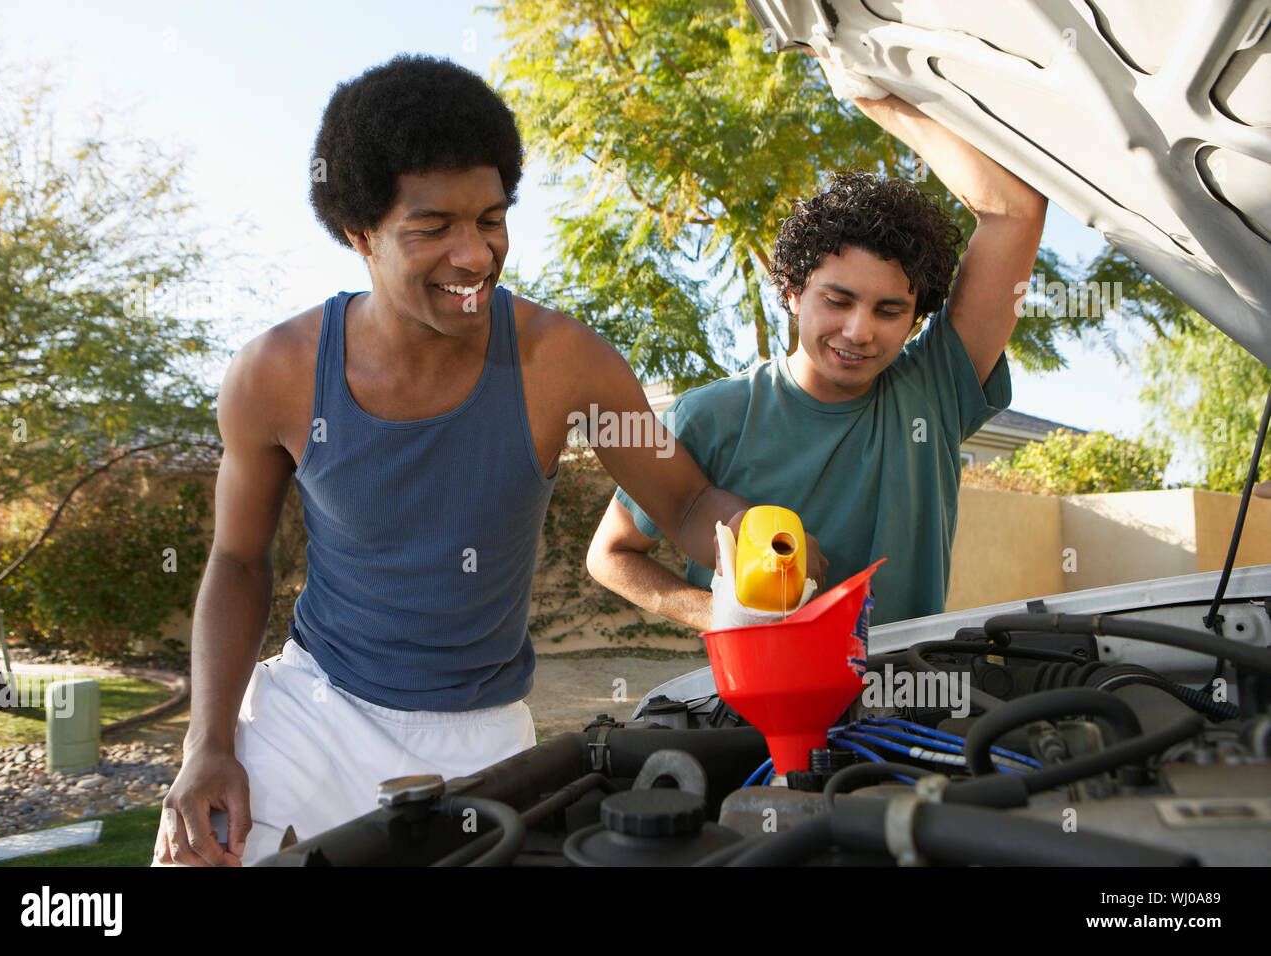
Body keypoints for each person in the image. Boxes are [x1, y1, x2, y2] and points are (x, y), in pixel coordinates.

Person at [151, 54, 781, 867]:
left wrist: (766, 546)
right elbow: (238, 560)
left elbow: (689, 505)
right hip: (312, 708)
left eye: (491, 218)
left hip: (480, 736)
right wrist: (208, 742)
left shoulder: (564, 363)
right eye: (432, 228)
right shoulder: (274, 374)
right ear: (359, 234)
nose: (476, 255)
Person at [586, 90, 1049, 632]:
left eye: (889, 310)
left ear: (915, 317)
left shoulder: (937, 387)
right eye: (838, 300)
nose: (859, 331)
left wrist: (871, 93)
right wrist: (719, 615)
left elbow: (1015, 211)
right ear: (792, 291)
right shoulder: (709, 416)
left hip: (907, 698)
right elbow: (610, 554)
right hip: (752, 708)